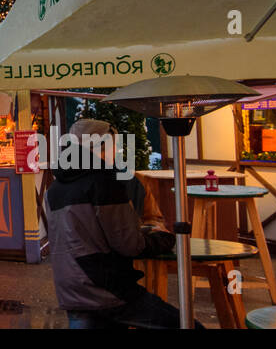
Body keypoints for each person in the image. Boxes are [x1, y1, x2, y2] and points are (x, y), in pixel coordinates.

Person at [46, 119, 184, 329]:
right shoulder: (106, 182)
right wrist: (163, 239)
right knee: (185, 325)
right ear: (100, 147)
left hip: (71, 289)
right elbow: (129, 244)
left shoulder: (55, 187)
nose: (117, 151)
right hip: (106, 287)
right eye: (114, 145)